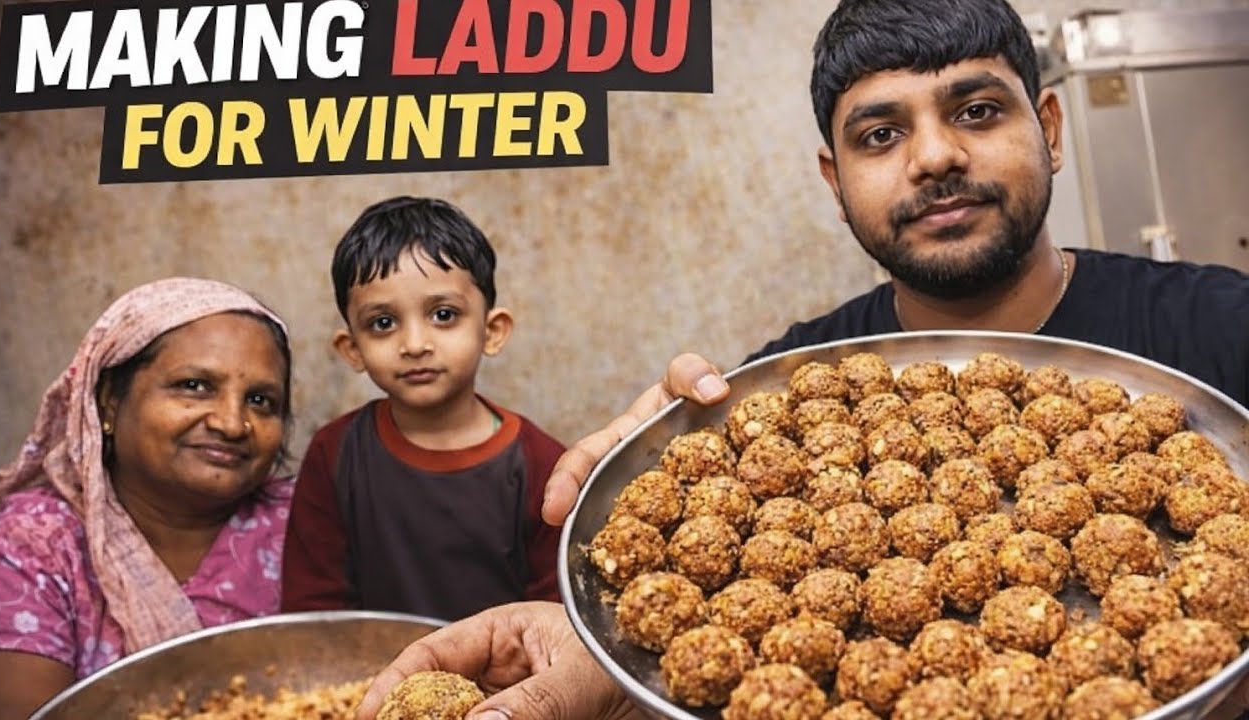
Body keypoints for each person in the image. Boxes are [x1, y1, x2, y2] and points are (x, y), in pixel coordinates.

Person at [355, 1, 1249, 718]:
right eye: (880, 134)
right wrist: (608, 657)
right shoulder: (774, 395)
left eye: (977, 111)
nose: (935, 155)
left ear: (1050, 127)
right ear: (836, 182)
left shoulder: (1222, 328)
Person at [0, 278, 295, 719]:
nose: (232, 423)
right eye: (195, 385)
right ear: (107, 402)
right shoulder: (28, 549)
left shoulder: (305, 522)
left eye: (260, 400)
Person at [280, 196, 564, 621]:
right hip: (371, 681)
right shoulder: (335, 453)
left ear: (492, 331)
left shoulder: (543, 466)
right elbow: (313, 612)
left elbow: (557, 616)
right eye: (382, 323)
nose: (414, 345)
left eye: (444, 315)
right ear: (352, 349)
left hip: (509, 682)